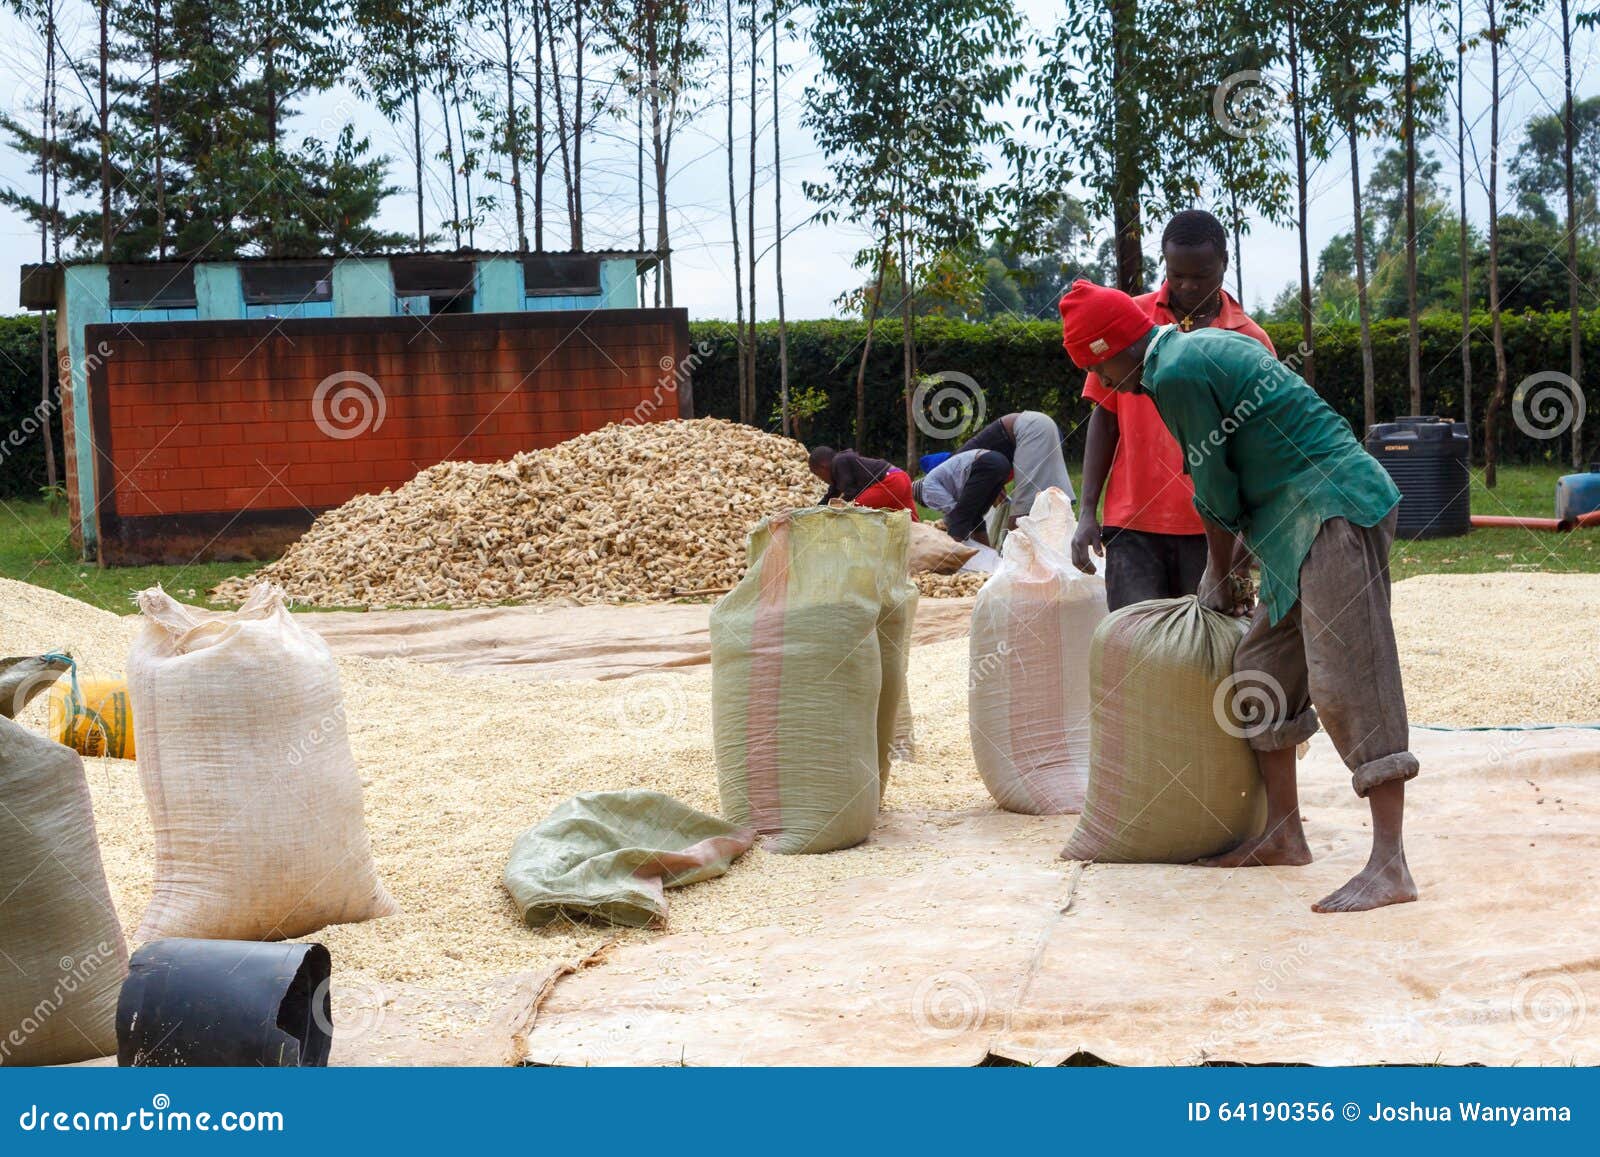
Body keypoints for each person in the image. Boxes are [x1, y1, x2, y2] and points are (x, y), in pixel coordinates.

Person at [1058, 278, 1417, 915]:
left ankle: (1390, 865)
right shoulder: (1187, 354)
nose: (1102, 384)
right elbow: (1242, 468)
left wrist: (1218, 575)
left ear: (1111, 352)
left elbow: (1215, 489)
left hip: (1334, 509)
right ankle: (1284, 834)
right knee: (1260, 671)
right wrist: (1238, 566)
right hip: (1291, 526)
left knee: (1349, 677)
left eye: (1095, 368)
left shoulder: (1177, 373)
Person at [1071, 209, 1276, 611]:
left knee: (1209, 654)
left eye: (1201, 275)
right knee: (1137, 650)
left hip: (1214, 531)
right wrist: (1087, 511)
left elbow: (1259, 450)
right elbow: (1105, 415)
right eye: (1176, 274)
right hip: (1132, 524)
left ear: (1224, 264)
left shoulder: (1250, 339)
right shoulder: (1130, 322)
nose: (1187, 286)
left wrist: (1243, 549)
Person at [954, 411, 1075, 528]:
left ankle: (1012, 547)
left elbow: (965, 518)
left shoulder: (956, 471)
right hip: (1039, 426)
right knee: (1048, 503)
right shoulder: (964, 467)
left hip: (1032, 430)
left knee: (1022, 514)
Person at [910, 448, 1011, 544]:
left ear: (926, 498)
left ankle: (952, 559)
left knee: (958, 521)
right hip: (1002, 463)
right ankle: (990, 558)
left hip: (986, 464)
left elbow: (954, 510)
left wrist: (949, 528)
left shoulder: (928, 487)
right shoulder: (940, 481)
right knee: (975, 518)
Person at [807, 446, 918, 518]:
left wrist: (834, 510)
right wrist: (815, 511)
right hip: (901, 477)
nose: (822, 480)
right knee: (911, 523)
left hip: (889, 482)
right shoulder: (839, 466)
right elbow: (831, 495)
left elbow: (850, 493)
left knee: (852, 512)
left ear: (823, 467)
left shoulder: (839, 462)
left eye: (819, 475)